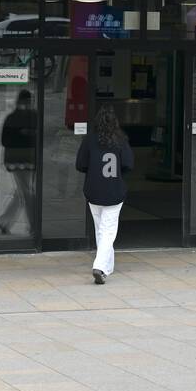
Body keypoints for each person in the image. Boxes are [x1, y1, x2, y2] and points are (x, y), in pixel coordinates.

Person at [75, 104, 133, 284]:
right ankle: (100, 266)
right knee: (108, 231)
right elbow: (128, 164)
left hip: (93, 190)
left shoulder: (89, 140)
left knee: (101, 229)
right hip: (114, 191)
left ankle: (107, 267)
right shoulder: (120, 140)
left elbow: (80, 164)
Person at [0, 90, 39, 237]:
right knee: (27, 193)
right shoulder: (34, 117)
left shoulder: (12, 118)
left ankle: (4, 221)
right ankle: (34, 225)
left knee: (23, 191)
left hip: (16, 160)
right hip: (28, 160)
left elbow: (4, 140)